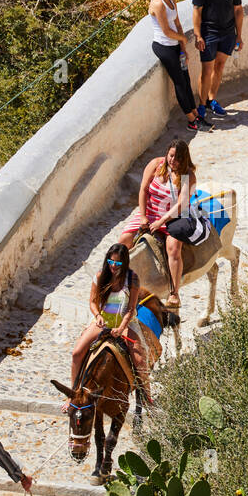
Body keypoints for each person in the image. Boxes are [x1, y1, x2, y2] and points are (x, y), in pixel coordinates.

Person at [68, 243, 151, 406]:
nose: (113, 266)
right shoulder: (100, 276)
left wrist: (121, 328)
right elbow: (92, 301)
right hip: (103, 321)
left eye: (118, 263)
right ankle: (73, 393)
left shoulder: (132, 279)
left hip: (125, 322)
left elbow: (131, 308)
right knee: (76, 353)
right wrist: (97, 315)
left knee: (140, 358)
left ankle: (147, 396)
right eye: (111, 262)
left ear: (124, 263)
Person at [119, 139, 196, 308]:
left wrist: (161, 221)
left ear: (184, 160)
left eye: (177, 158)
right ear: (167, 152)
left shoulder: (187, 175)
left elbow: (182, 203)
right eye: (171, 155)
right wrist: (143, 217)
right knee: (123, 241)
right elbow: (144, 189)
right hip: (150, 212)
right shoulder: (155, 164)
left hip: (173, 217)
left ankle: (174, 293)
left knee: (173, 250)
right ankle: (117, 279)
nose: (173, 161)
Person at [150, 0, 209, 132]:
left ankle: (196, 113)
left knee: (186, 79)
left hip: (175, 46)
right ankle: (191, 120)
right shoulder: (157, 3)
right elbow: (166, 31)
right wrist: (182, 39)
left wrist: (183, 49)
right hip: (164, 47)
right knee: (179, 83)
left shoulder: (171, 0)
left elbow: (177, 25)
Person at [191, 0, 243, 120]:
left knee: (219, 66)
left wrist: (239, 35)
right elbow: (197, 11)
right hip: (209, 33)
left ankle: (212, 99)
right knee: (207, 69)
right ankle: (202, 104)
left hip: (228, 33)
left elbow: (238, 10)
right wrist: (198, 35)